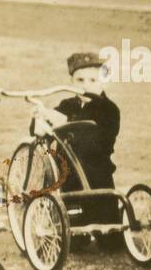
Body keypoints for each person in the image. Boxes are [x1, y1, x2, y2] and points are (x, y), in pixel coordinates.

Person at [31, 52, 122, 232]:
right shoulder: (68, 105)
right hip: (69, 178)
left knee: (111, 236)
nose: (86, 86)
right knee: (73, 236)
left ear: (103, 81)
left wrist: (66, 124)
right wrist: (39, 118)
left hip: (98, 176)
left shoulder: (109, 109)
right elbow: (46, 133)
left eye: (92, 81)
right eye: (80, 80)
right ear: (71, 82)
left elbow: (100, 142)